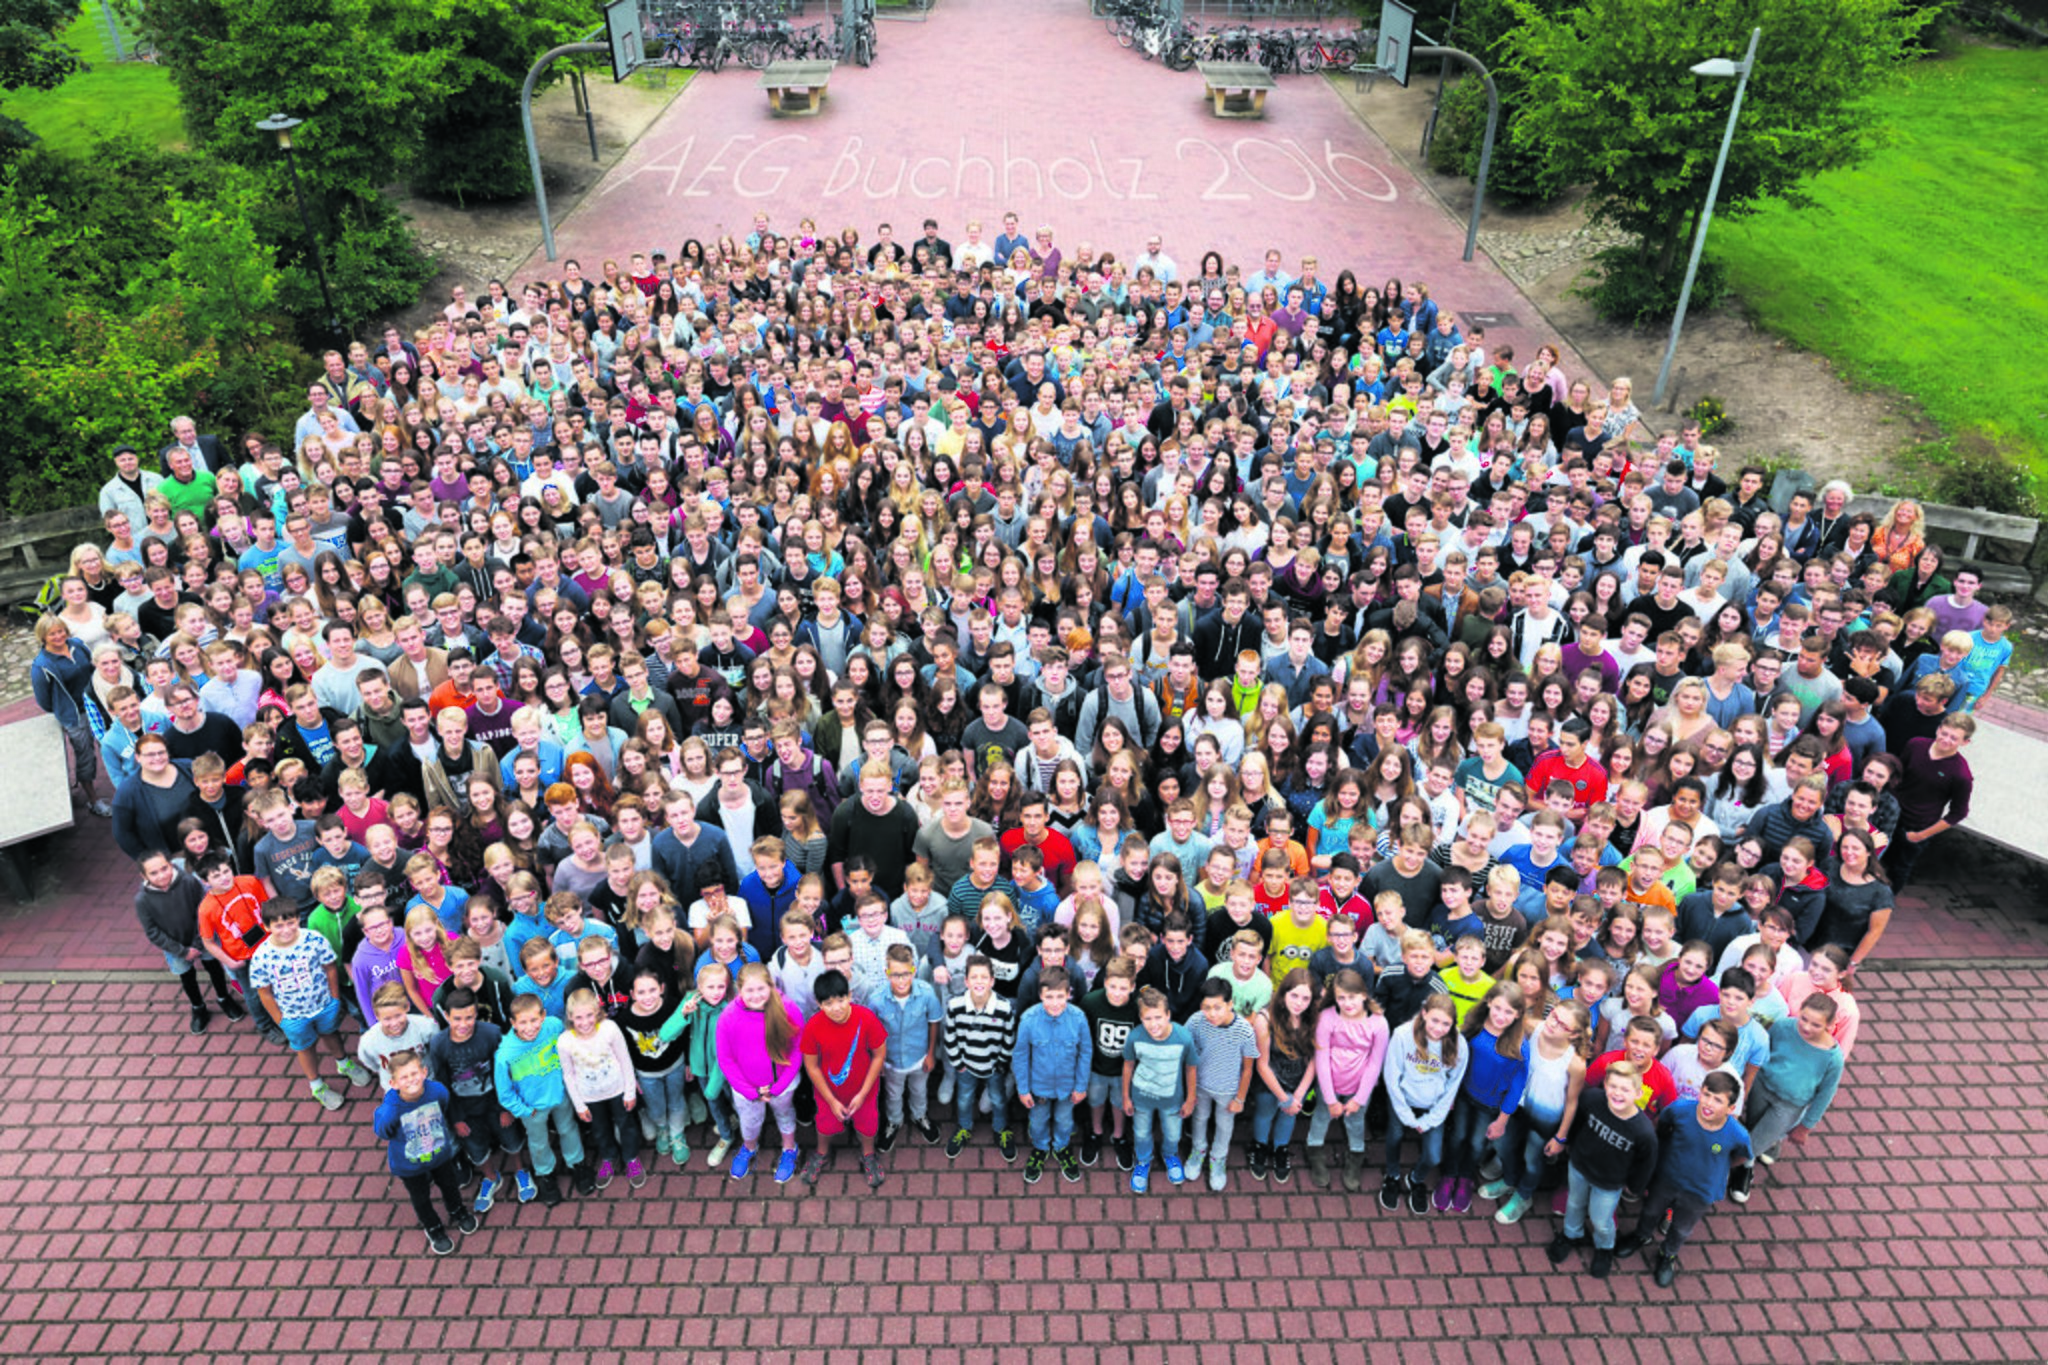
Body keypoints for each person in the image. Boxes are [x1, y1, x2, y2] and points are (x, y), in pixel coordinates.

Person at [1617, 1073, 1752, 1286]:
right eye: (1706, 1094)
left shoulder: (1737, 1134)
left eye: (1718, 1100)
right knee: (1651, 1210)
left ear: (1730, 1108)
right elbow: (1663, 1125)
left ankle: (1668, 1254)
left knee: (1681, 1227)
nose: (1708, 1103)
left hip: (1700, 1190)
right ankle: (1641, 1235)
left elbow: (1742, 1155)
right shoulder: (1681, 1109)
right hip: (1667, 1176)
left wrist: (1721, 1166)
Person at [1545, 1059, 1659, 1280]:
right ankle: (1571, 1234)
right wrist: (1569, 1144)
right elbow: (1577, 1123)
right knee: (1574, 1203)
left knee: (1601, 1219)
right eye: (1613, 1086)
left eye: (1625, 1089)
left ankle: (1604, 1247)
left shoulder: (1643, 1132)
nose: (1617, 1093)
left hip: (1609, 1182)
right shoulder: (1592, 1100)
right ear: (1605, 1085)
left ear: (1637, 1093)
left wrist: (1634, 1186)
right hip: (1579, 1166)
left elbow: (1646, 1163)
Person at [797, 967, 889, 1189]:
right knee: (825, 1124)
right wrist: (831, 1100)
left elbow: (879, 1055)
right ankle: (821, 1153)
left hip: (863, 1089)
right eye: (828, 1003)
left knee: (868, 1125)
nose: (836, 1008)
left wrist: (863, 1093)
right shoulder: (813, 1027)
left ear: (850, 996)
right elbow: (812, 1066)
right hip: (829, 1092)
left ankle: (868, 1154)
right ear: (819, 1004)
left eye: (840, 1000)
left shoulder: (865, 1018)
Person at [135, 850, 243, 1035]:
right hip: (175, 948)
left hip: (202, 938)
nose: (162, 875)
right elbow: (152, 931)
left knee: (213, 967)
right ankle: (198, 1006)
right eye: (154, 873)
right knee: (187, 976)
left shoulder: (188, 882)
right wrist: (182, 951)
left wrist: (198, 941)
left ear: (171, 865)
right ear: (143, 876)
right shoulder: (142, 900)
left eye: (164, 868)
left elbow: (202, 910)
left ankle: (223, 997)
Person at [1012, 964, 1092, 1185]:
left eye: (1060, 996)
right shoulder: (1028, 1019)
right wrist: (1023, 1088)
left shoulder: (1078, 1018)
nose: (1055, 1003)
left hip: (1068, 1087)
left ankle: (1061, 1147)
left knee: (1065, 1121)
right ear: (1040, 995)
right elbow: (1020, 1055)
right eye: (1049, 997)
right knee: (1037, 1121)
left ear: (1069, 994)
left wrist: (1081, 1086)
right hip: (1039, 1088)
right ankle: (1040, 1147)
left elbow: (1085, 1052)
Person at [1120, 984, 1199, 1194]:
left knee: (1173, 1133)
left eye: (1158, 1017)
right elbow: (1128, 1066)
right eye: (1147, 1019)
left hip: (1172, 1099)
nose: (1153, 1024)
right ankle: (1143, 1160)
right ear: (1140, 1018)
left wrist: (1191, 1098)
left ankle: (1170, 1155)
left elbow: (1191, 1068)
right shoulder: (1135, 1037)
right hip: (1141, 1097)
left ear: (1168, 1015)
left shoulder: (1183, 1037)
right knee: (1141, 1133)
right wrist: (1126, 1097)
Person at [1184, 977, 1259, 1192]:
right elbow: (1188, 1054)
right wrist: (1190, 1092)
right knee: (1199, 1118)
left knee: (1224, 1126)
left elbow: (1247, 1069)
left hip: (1228, 1090)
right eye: (1207, 1008)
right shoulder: (1196, 1022)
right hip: (1201, 1086)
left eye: (1218, 1007)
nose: (1212, 1014)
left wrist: (1240, 1098)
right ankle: (1198, 1151)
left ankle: (1218, 1159)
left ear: (1230, 1004)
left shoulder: (1244, 1030)